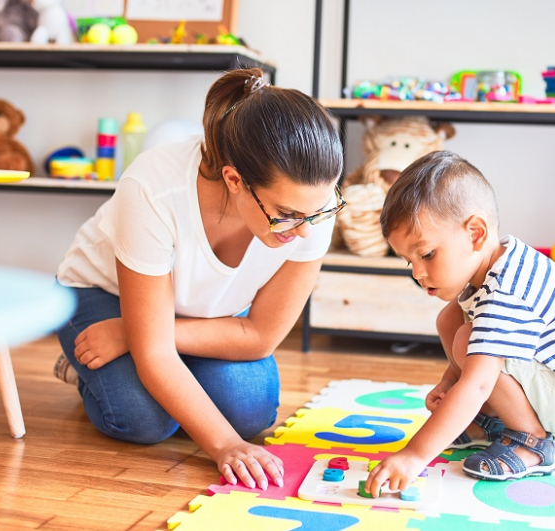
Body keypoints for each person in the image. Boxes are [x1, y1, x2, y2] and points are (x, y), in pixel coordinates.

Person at [54, 68, 345, 491]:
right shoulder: (154, 188)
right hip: (103, 295)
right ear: (234, 180)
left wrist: (134, 335)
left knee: (250, 413)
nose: (305, 231)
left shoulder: (310, 205)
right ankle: (85, 370)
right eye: (288, 215)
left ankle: (150, 352)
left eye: (317, 212)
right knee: (143, 419)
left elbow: (261, 335)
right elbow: (154, 352)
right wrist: (225, 445)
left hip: (179, 317)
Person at [366, 151, 555, 494]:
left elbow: (479, 383)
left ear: (475, 233)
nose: (417, 272)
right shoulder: (492, 265)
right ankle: (491, 421)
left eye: (426, 254)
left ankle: (532, 443)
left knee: (468, 339)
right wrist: (451, 381)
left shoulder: (506, 290)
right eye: (408, 261)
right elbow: (472, 372)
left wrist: (414, 455)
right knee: (450, 319)